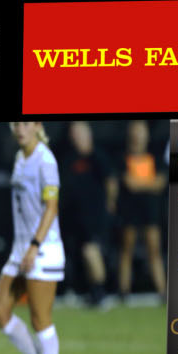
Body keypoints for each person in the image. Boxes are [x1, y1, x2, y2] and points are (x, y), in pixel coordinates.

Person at [0, 121, 64, 354]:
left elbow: (52, 208)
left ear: (37, 126)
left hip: (42, 249)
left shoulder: (46, 160)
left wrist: (34, 246)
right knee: (0, 314)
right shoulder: (20, 158)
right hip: (19, 250)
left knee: (40, 319)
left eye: (25, 123)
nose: (19, 129)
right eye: (16, 124)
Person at [59, 120, 117, 307]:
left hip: (95, 215)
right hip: (76, 216)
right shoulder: (70, 159)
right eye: (74, 134)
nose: (77, 137)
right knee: (83, 253)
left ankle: (100, 292)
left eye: (80, 133)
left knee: (91, 250)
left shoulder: (98, 157)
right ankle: (92, 291)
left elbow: (110, 182)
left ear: (88, 134)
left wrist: (110, 204)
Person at [115, 118, 166, 302]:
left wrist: (140, 184)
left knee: (154, 251)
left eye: (141, 131)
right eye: (135, 131)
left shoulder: (155, 157)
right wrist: (148, 183)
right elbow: (129, 183)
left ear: (147, 135)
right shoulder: (123, 158)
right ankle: (124, 291)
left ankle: (162, 291)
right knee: (126, 250)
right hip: (130, 211)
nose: (138, 135)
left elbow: (160, 183)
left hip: (150, 211)